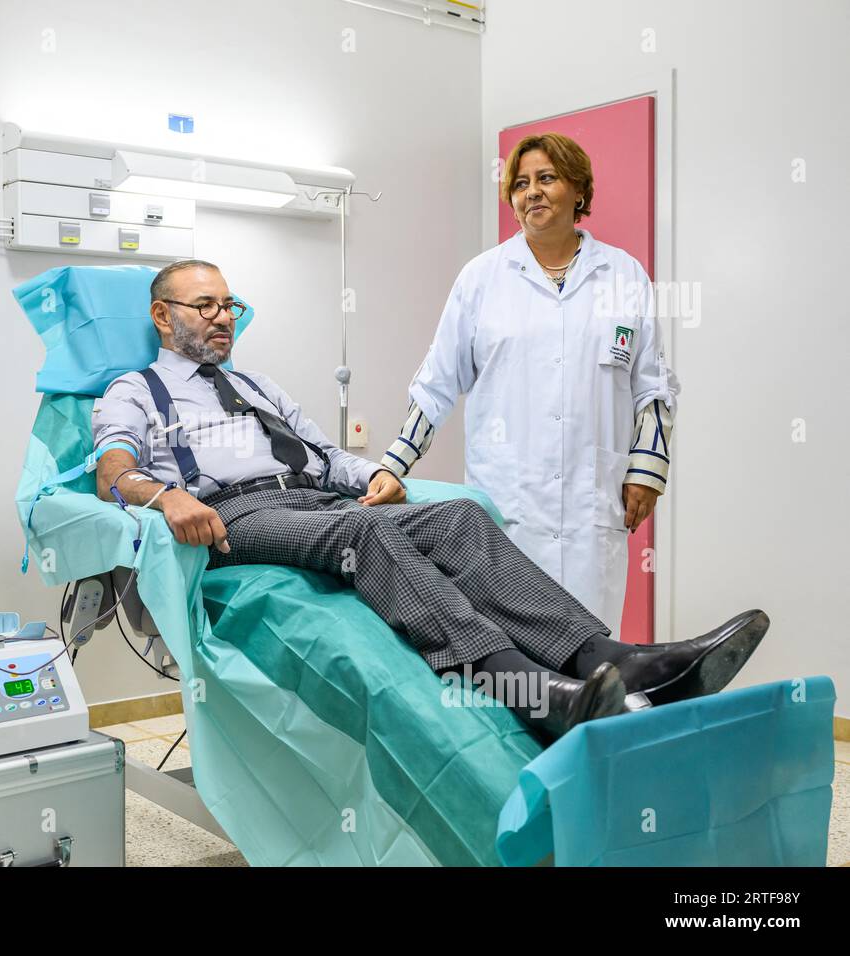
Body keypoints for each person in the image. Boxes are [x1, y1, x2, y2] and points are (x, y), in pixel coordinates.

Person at [90, 259, 763, 741]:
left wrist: (374, 476)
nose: (222, 318)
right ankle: (529, 692)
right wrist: (163, 496)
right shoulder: (137, 389)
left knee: (459, 518)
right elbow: (111, 470)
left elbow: (324, 456)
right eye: (205, 306)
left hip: (312, 502)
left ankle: (614, 659)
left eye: (229, 306)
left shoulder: (260, 386)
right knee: (368, 537)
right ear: (162, 314)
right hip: (234, 515)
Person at [381, 133, 677, 636]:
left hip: (591, 503)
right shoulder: (481, 278)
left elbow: (653, 385)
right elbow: (435, 384)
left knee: (591, 645)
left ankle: (590, 713)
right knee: (512, 651)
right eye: (520, 183)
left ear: (578, 191)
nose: (532, 192)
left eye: (547, 178)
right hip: (508, 504)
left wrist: (646, 472)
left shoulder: (624, 275)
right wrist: (393, 465)